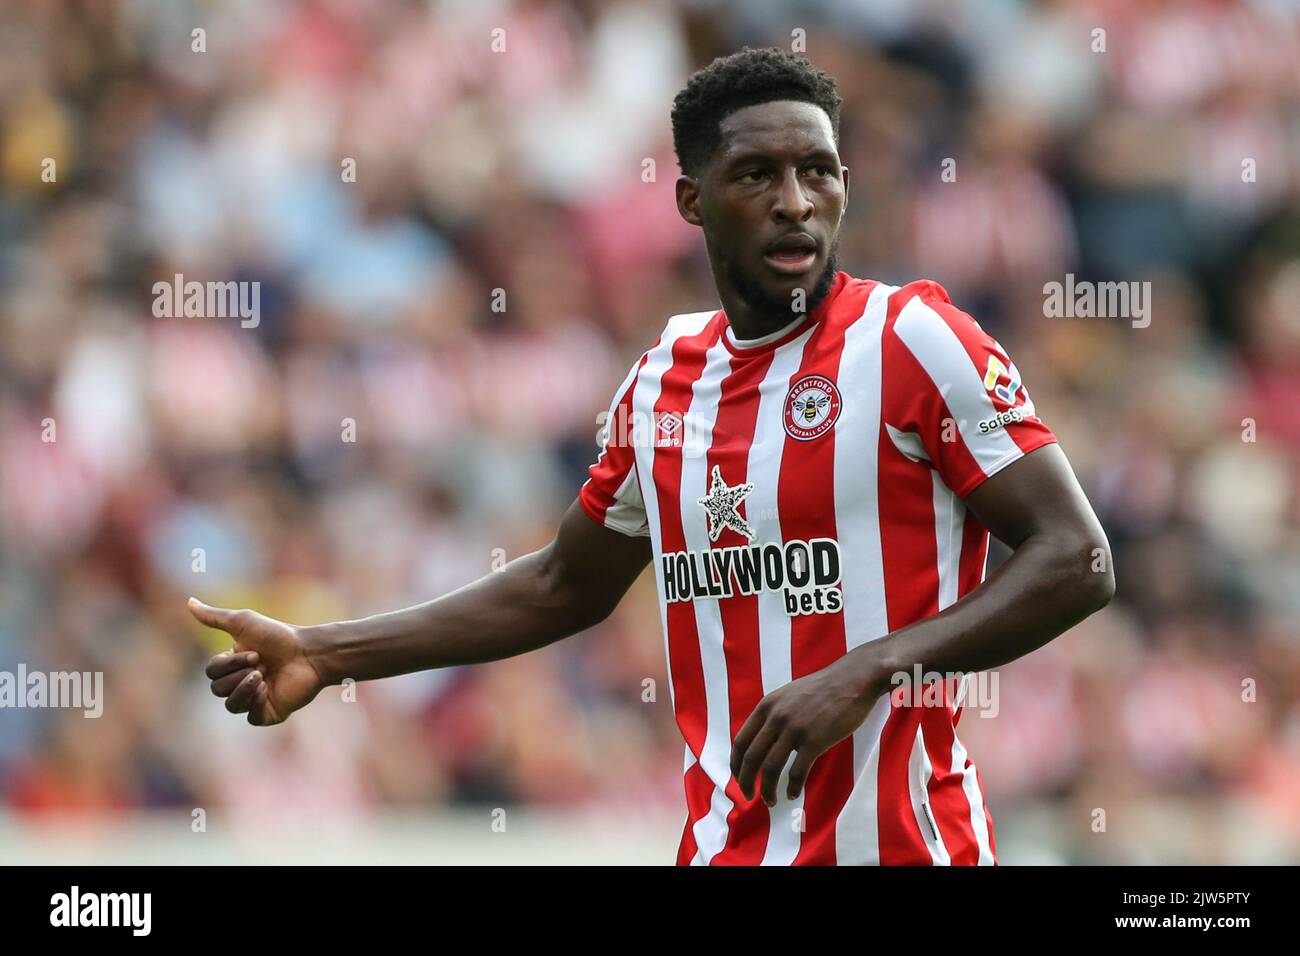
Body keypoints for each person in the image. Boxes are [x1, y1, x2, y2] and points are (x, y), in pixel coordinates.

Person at [190, 46, 1114, 865]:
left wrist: (871, 666)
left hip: (910, 850)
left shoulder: (914, 339)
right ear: (692, 199)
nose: (796, 203)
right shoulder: (664, 381)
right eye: (756, 175)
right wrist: (324, 651)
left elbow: (1078, 558)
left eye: (818, 172)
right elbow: (563, 584)